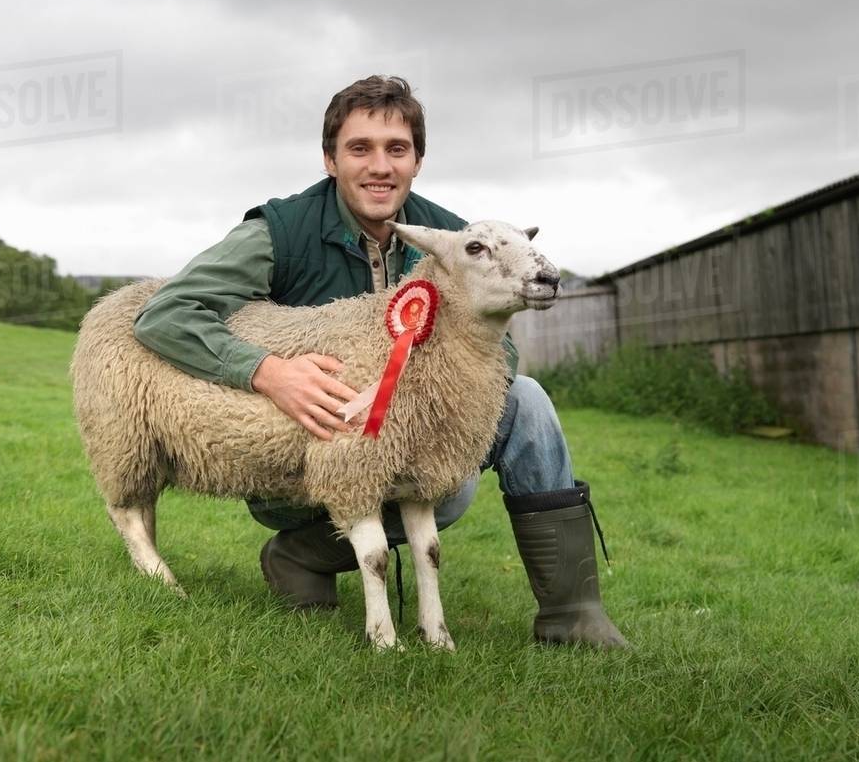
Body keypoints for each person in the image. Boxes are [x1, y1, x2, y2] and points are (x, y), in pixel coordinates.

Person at [133, 75, 627, 648]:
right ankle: (301, 548)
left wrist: (451, 382)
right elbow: (165, 314)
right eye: (359, 148)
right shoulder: (278, 232)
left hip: (402, 444)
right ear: (329, 159)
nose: (380, 166)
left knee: (528, 402)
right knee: (386, 474)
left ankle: (573, 613)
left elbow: (496, 339)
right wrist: (267, 371)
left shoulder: (452, 237)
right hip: (297, 450)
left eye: (397, 149)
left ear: (417, 160)